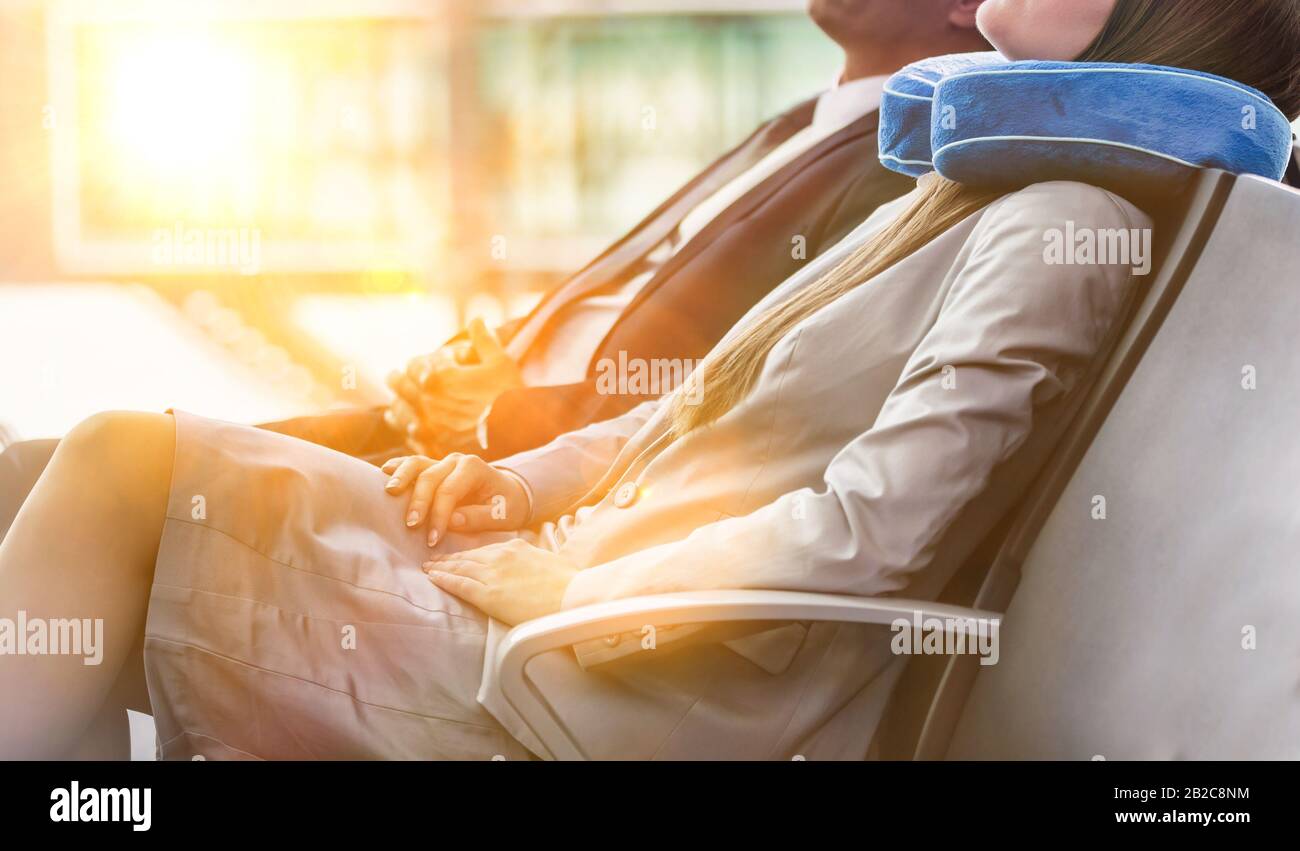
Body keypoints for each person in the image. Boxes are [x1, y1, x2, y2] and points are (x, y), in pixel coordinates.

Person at [2, 0, 1297, 760]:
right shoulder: (992, 197)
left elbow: (870, 541)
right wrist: (513, 488)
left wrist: (570, 577)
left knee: (126, 465)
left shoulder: (1060, 222)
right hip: (590, 609)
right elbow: (694, 410)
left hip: (621, 679)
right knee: (117, 476)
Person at [0, 0, 1000, 544]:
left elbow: (749, 400)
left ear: (968, 9)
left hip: (492, 489)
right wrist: (488, 364)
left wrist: (501, 416)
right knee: (20, 482)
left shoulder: (902, 163)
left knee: (101, 473)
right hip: (439, 436)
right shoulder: (794, 124)